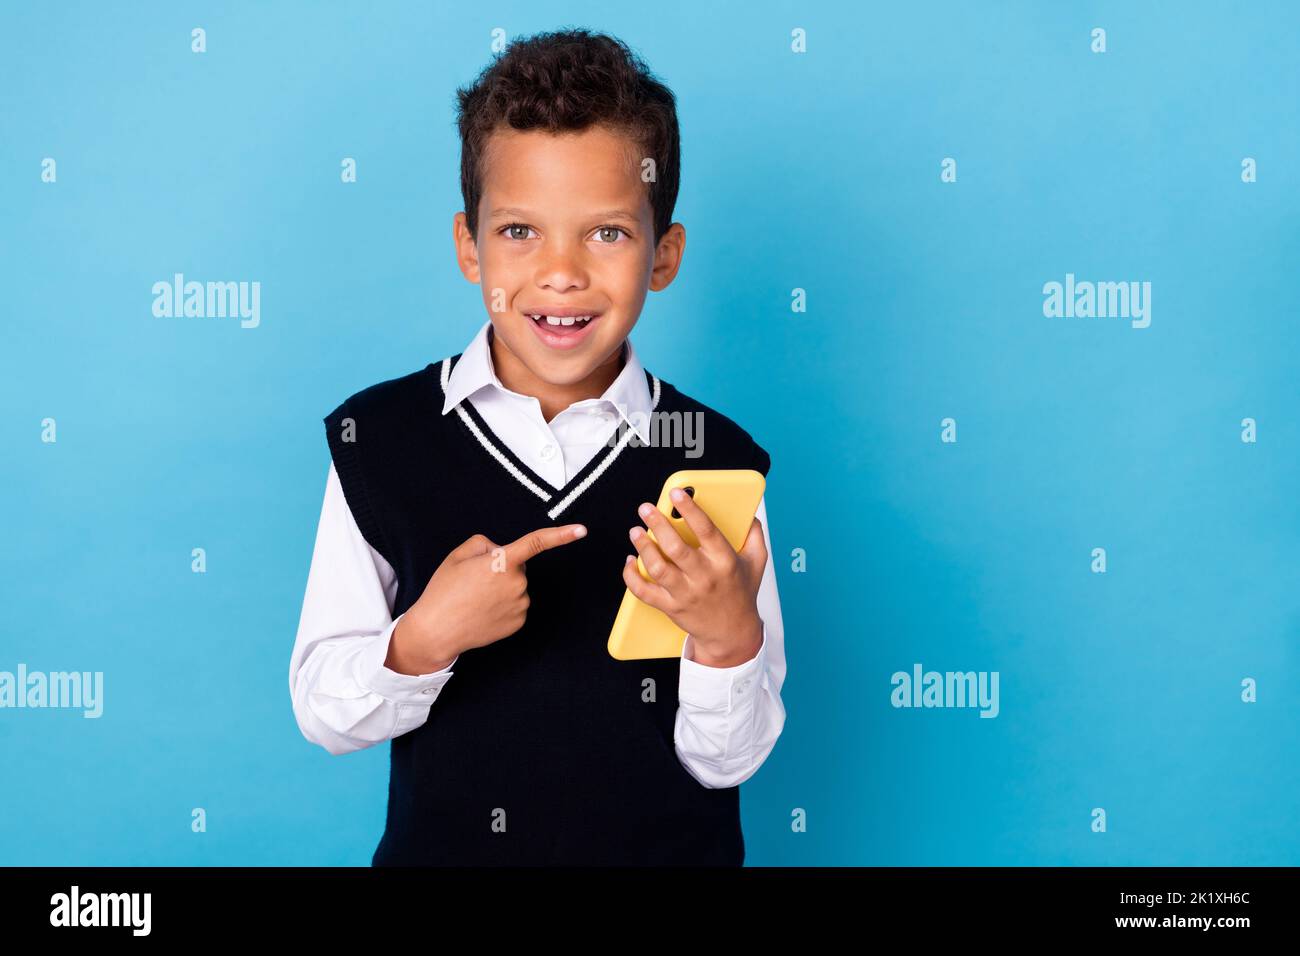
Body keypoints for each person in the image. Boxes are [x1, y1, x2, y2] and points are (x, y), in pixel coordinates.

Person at [289, 28, 787, 866]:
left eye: (607, 234)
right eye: (520, 231)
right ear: (468, 245)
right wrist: (423, 639)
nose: (561, 272)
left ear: (663, 255)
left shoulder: (715, 458)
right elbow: (324, 712)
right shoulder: (376, 439)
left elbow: (728, 759)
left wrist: (726, 635)